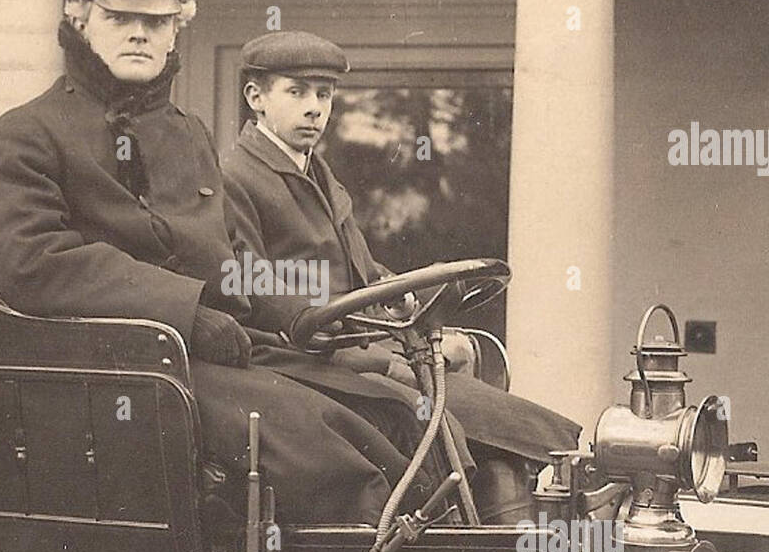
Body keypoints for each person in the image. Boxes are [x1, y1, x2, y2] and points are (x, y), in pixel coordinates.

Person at [0, 0, 457, 526]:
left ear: (176, 29)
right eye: (119, 18)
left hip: (230, 352)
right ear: (79, 20)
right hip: (129, 369)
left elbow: (230, 261)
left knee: (397, 415)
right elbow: (36, 264)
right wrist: (188, 313)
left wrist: (311, 315)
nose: (139, 34)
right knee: (331, 458)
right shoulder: (26, 133)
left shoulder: (188, 133)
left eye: (156, 23)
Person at [220, 30, 582, 521]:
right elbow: (254, 290)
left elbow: (364, 274)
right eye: (297, 92)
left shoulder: (318, 175)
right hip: (304, 361)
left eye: (324, 95)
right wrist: (366, 349)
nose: (314, 109)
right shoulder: (236, 177)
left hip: (364, 349)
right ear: (255, 98)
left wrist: (408, 302)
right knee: (446, 428)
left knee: (524, 427)